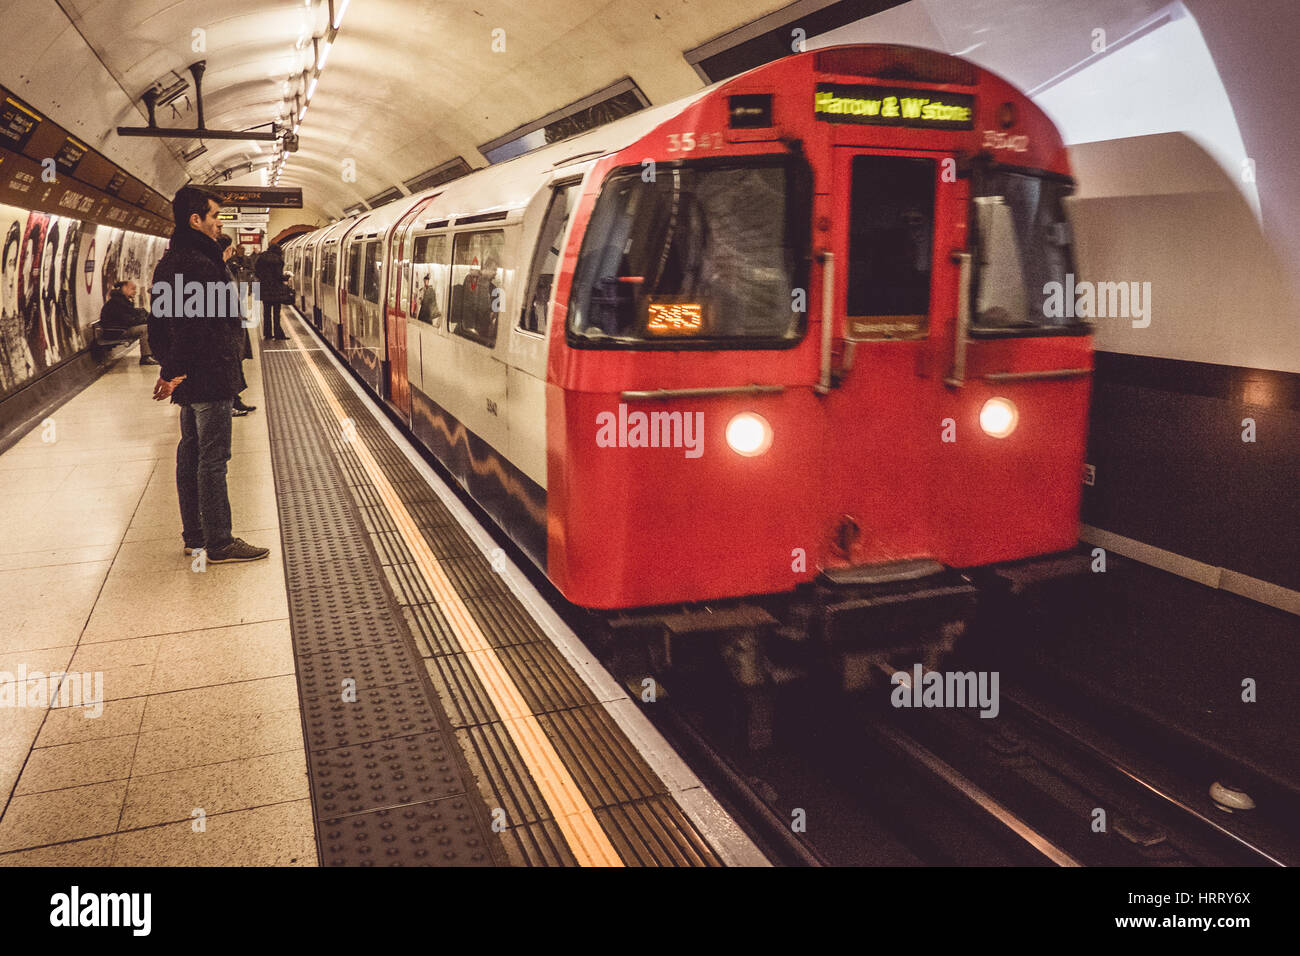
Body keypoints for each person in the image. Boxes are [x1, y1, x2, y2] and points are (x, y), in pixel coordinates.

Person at [151, 186, 269, 564]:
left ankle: (195, 536)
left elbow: (159, 322)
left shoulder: (170, 261)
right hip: (210, 374)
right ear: (195, 219)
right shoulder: (201, 264)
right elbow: (195, 326)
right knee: (212, 459)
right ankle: (218, 541)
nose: (219, 224)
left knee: (190, 453)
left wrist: (168, 368)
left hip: (190, 377)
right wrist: (174, 370)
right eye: (215, 217)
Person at [218, 234, 256, 416]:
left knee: (235, 365)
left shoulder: (224, 267)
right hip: (227, 329)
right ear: (228, 250)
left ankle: (236, 400)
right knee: (230, 366)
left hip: (233, 323)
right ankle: (231, 403)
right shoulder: (217, 269)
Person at [99, 279, 158, 365]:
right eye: (133, 289)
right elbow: (128, 320)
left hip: (120, 329)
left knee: (149, 325)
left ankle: (153, 354)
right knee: (145, 328)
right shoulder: (117, 303)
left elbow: (131, 315)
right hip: (116, 332)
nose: (135, 291)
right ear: (124, 288)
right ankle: (146, 357)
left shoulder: (122, 301)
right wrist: (145, 320)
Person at [254, 241, 289, 339]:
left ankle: (267, 334)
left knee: (266, 313)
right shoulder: (278, 260)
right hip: (276, 290)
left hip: (264, 289)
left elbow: (256, 272)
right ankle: (278, 334)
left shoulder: (261, 258)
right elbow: (278, 276)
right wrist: (286, 277)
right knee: (276, 314)